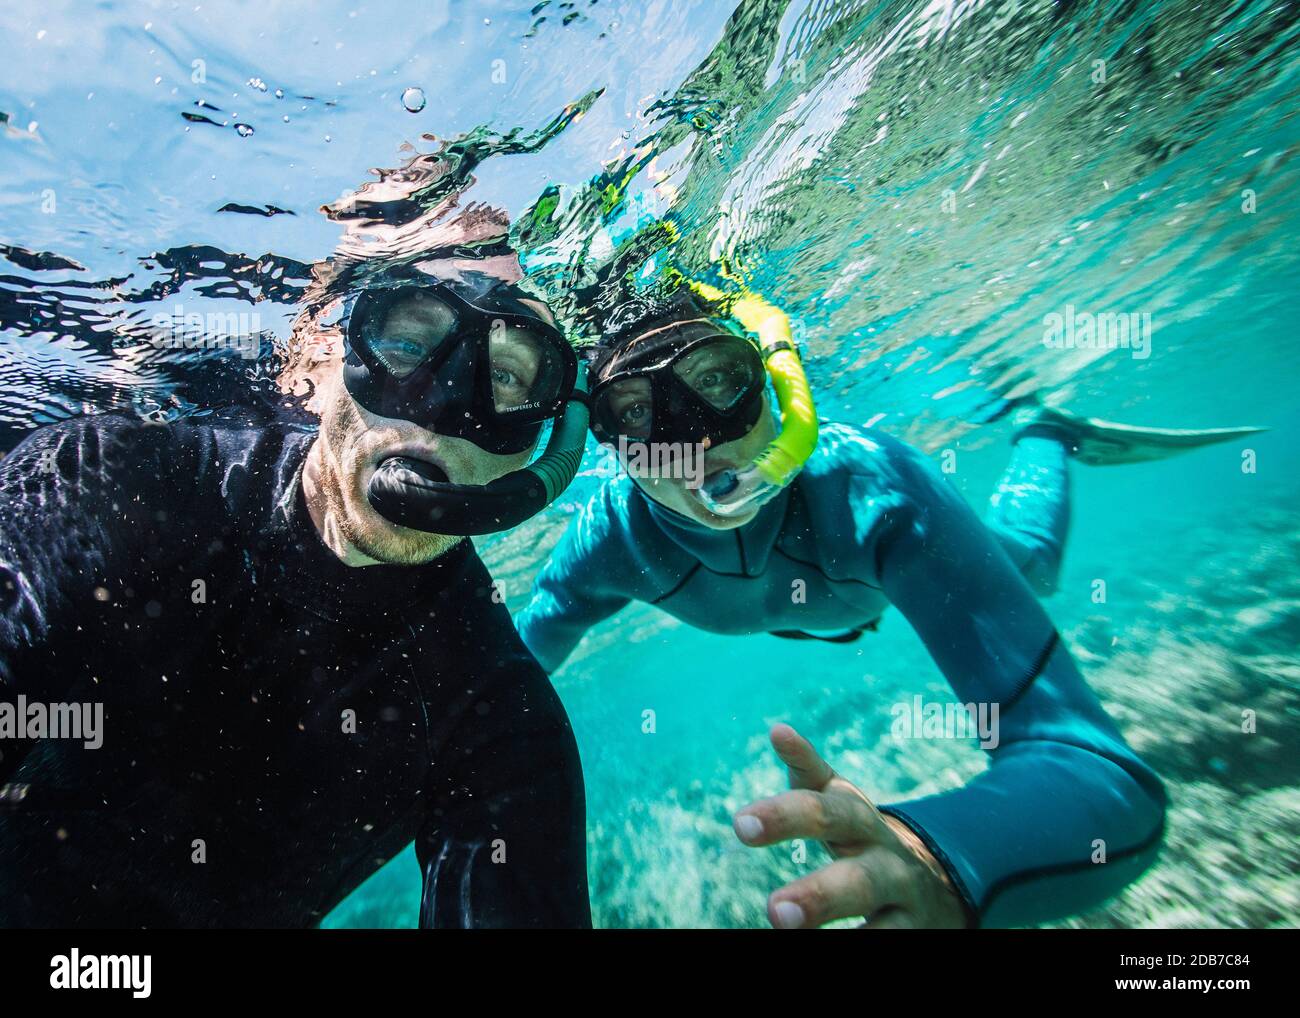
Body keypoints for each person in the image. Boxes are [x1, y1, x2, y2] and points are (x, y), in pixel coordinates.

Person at [516, 282, 1261, 929]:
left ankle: (1045, 432)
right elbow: (502, 685)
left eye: (718, 380)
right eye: (639, 414)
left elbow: (1107, 780)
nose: (695, 440)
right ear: (607, 443)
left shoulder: (873, 491)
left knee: (1028, 566)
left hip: (879, 577)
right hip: (841, 600)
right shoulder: (609, 540)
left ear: (777, 383)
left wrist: (942, 856)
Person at [0, 243, 595, 928]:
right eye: (406, 339)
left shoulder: (494, 712)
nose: (444, 407)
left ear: (546, 442)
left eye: (512, 377)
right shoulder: (117, 484)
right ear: (319, 355)